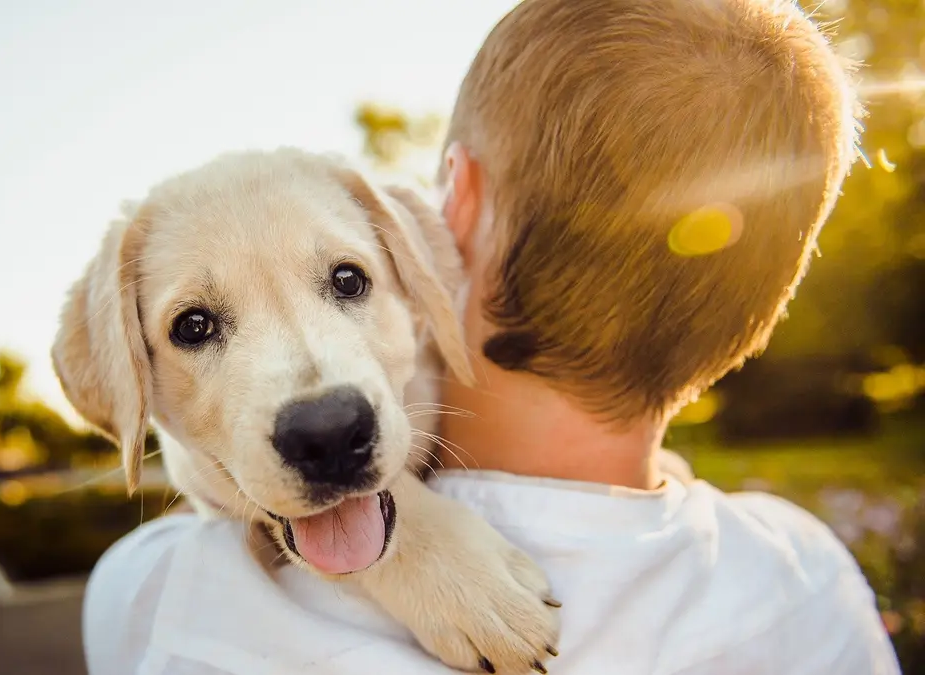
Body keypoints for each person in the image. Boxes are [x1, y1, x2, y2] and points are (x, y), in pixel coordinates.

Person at [81, 0, 901, 673]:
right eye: (197, 325)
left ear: (454, 203)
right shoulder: (809, 578)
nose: (317, 397)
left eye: (346, 280)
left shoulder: (161, 600)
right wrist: (408, 538)